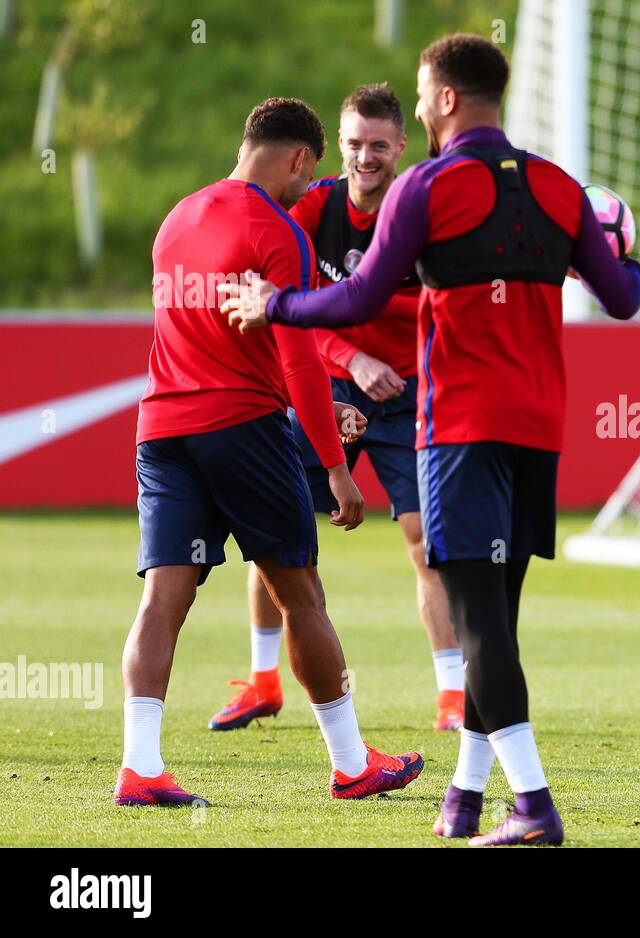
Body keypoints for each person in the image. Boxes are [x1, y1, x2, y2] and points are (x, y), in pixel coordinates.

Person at [220, 36, 640, 845]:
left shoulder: (427, 186)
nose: (417, 108)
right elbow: (623, 296)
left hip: (459, 430)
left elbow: (357, 298)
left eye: (421, 95)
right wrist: (630, 254)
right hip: (539, 432)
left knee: (479, 622)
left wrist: (275, 306)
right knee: (496, 622)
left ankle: (535, 807)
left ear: (447, 99)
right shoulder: (558, 186)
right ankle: (466, 798)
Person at [119, 97, 422, 808]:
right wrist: (338, 469)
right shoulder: (276, 231)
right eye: (306, 172)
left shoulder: (176, 219)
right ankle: (351, 764)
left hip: (162, 428)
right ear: (297, 159)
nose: (303, 187)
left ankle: (140, 766)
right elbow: (300, 362)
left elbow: (206, 333)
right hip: (242, 429)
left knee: (162, 598)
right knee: (300, 593)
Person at [208, 83, 465, 736]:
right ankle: (263, 681)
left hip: (410, 392)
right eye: (353, 144)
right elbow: (275, 306)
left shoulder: (420, 210)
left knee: (425, 545)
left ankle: (452, 695)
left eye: (378, 145)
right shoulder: (311, 208)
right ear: (337, 149)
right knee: (275, 536)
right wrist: (348, 369)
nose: (364, 156)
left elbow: (453, 310)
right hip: (325, 385)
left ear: (401, 147)